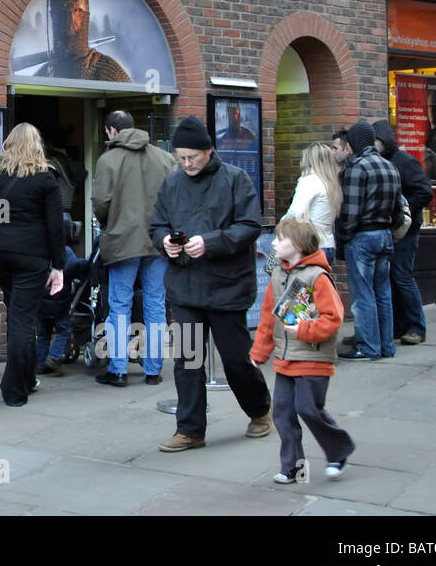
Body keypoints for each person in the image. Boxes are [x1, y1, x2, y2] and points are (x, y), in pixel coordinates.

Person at [150, 116, 271, 452]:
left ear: (209, 150)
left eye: (193, 157)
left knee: (236, 360)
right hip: (185, 285)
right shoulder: (172, 184)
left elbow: (249, 226)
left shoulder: (236, 179)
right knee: (187, 360)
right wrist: (165, 242)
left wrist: (211, 242)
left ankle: (260, 409)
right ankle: (190, 430)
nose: (187, 163)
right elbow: (156, 225)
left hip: (227, 286)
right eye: (181, 158)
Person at [251, 216, 355, 483]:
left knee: (309, 409)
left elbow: (333, 317)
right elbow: (267, 317)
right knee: (283, 413)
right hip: (286, 359)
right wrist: (259, 352)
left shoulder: (317, 276)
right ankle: (293, 467)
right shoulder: (277, 273)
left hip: (313, 357)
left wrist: (304, 331)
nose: (273, 243)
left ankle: (338, 450)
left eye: (280, 239)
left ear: (297, 244)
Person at [0, 123, 65, 407]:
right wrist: (59, 265)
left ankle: (25, 378)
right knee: (23, 320)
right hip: (31, 257)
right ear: (36, 145)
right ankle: (14, 389)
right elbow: (55, 227)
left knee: (17, 315)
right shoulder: (45, 177)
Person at [91, 110, 176, 386]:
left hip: (123, 240)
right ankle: (153, 370)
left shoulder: (108, 160)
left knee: (119, 305)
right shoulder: (164, 158)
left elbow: (101, 202)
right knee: (155, 305)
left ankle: (118, 370)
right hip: (157, 240)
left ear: (112, 131)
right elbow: (174, 198)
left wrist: (109, 223)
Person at [334, 120, 402, 362]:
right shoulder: (389, 167)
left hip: (362, 236)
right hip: (385, 235)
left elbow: (350, 213)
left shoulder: (357, 168)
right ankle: (386, 346)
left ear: (354, 142)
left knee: (363, 295)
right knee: (383, 293)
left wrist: (344, 236)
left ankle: (368, 347)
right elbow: (398, 210)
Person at [373, 119, 433, 345]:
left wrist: (403, 213)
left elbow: (424, 191)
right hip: (391, 230)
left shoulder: (404, 161)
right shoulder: (384, 161)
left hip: (406, 231)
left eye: (376, 140)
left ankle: (416, 326)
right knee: (392, 279)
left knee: (403, 277)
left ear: (384, 140)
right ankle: (399, 325)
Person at [39, 0, 131, 82]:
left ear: (82, 16)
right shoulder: (47, 72)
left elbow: (133, 97)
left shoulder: (105, 68)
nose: (67, 21)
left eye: (75, 12)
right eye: (60, 15)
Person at [36, 217, 92, 373]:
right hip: (58, 302)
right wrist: (85, 265)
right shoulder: (65, 252)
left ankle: (40, 364)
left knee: (43, 335)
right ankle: (54, 356)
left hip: (40, 302)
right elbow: (73, 267)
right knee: (64, 329)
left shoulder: (40, 249)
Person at [283, 142, 342, 265]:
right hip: (327, 245)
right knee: (318, 284)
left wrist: (281, 225)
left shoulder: (309, 181)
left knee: (300, 284)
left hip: (310, 247)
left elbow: (296, 213)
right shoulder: (331, 184)